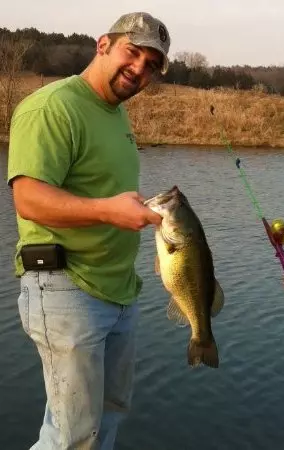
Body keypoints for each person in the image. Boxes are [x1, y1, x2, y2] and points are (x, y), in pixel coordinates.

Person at [7, 11, 171, 450]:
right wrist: (107, 211)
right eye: (132, 52)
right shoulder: (52, 106)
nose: (140, 69)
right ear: (103, 45)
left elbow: (109, 197)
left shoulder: (115, 115)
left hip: (118, 291)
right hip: (67, 289)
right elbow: (29, 199)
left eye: (152, 65)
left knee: (107, 419)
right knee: (72, 436)